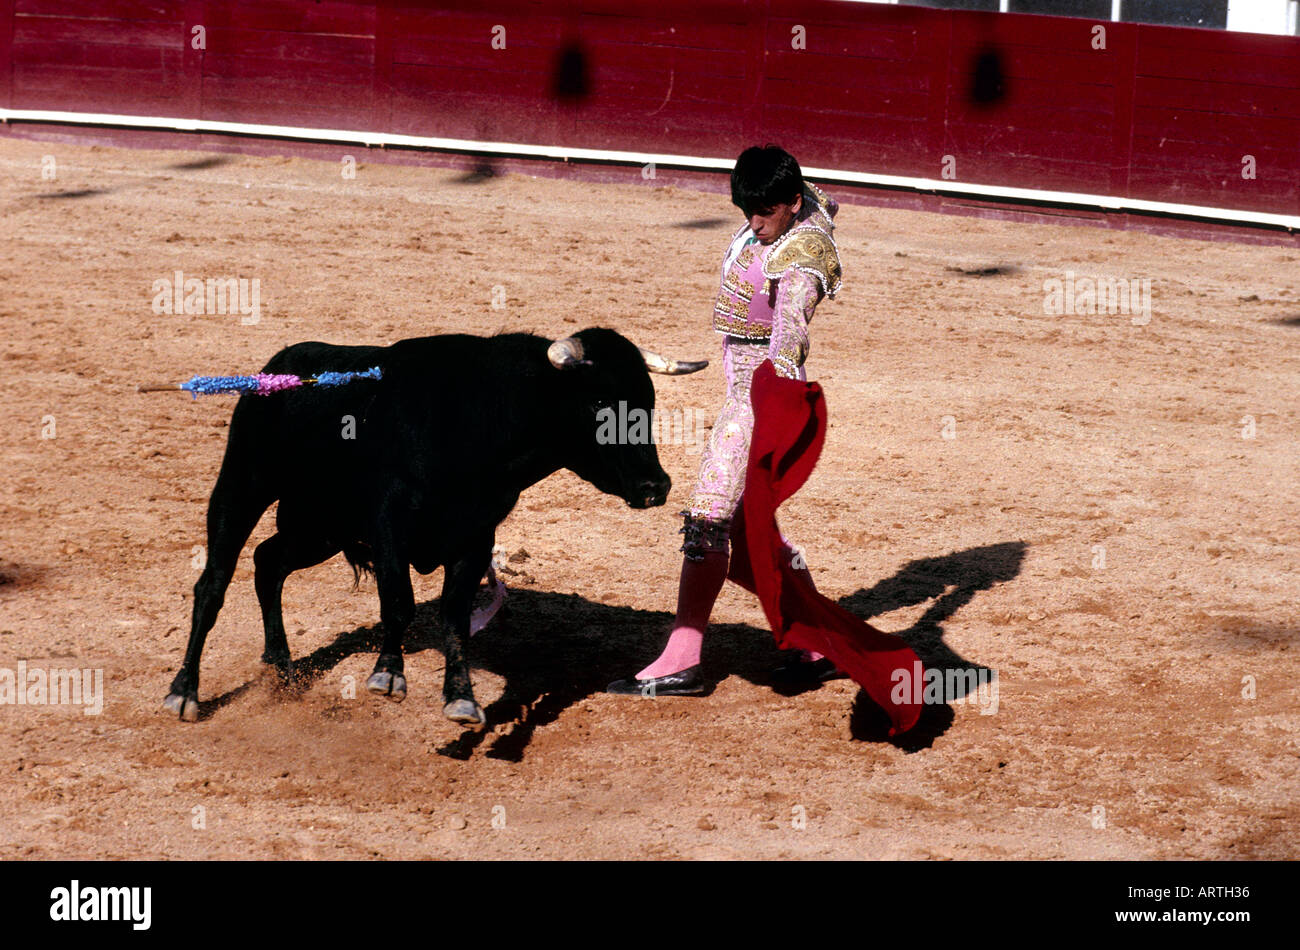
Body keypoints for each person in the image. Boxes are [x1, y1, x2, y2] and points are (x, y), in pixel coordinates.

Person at [607, 145, 844, 697]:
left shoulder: (803, 257)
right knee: (748, 529)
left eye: (765, 214)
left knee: (709, 520)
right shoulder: (797, 205)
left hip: (758, 397)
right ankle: (814, 646)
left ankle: (681, 658)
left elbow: (788, 338)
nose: (755, 226)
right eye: (747, 213)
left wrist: (774, 411)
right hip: (741, 390)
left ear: (790, 202)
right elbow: (821, 204)